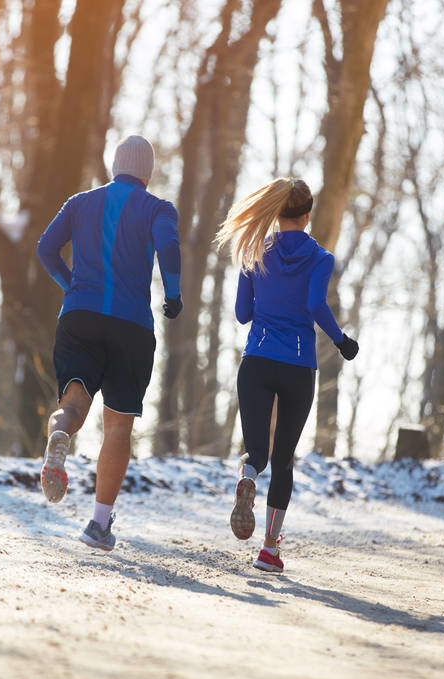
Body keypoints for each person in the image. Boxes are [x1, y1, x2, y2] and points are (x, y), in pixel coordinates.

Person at [36, 134, 182, 552]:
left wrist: (72, 287)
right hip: (131, 325)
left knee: (73, 403)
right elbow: (169, 246)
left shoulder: (79, 202)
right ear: (148, 172)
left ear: (114, 165)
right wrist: (173, 294)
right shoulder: (158, 208)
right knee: (117, 426)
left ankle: (59, 435)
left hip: (79, 317)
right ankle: (99, 525)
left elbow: (46, 248)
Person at [214, 178, 358, 573]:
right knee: (284, 459)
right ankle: (269, 550)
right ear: (308, 215)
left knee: (257, 450)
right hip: (298, 366)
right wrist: (342, 340)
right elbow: (315, 303)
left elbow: (243, 314)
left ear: (276, 213)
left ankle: (247, 474)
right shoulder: (320, 258)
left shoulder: (254, 250)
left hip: (256, 360)